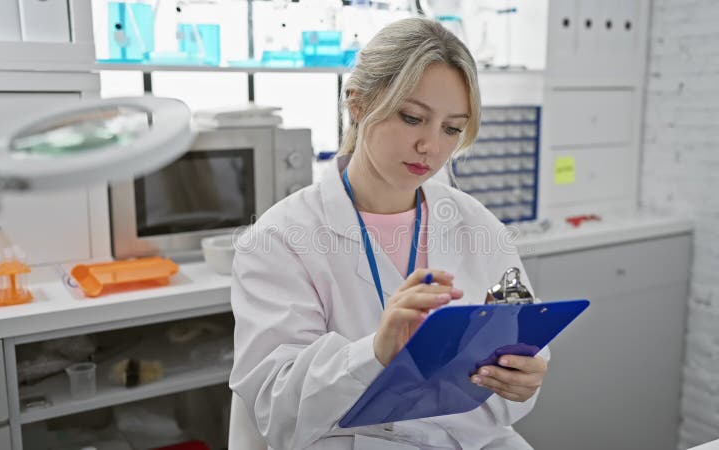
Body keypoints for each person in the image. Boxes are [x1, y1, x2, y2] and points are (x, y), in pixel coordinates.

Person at [230, 17, 548, 450]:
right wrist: (375, 352)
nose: (431, 147)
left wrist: (521, 378)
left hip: (466, 439)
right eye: (413, 117)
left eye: (451, 128)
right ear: (357, 104)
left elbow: (520, 329)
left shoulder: (478, 226)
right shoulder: (281, 239)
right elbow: (275, 405)